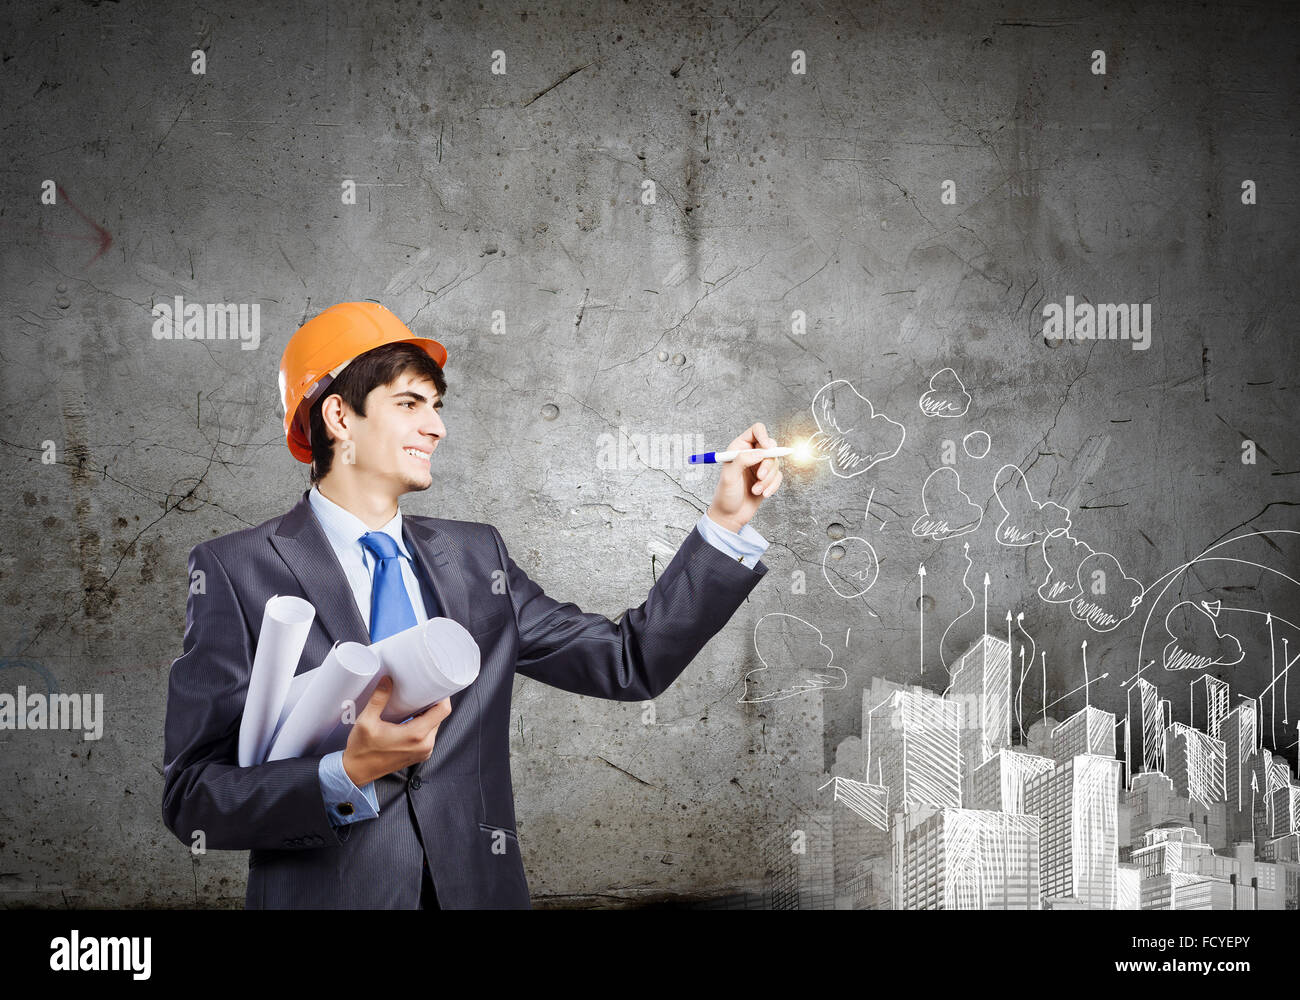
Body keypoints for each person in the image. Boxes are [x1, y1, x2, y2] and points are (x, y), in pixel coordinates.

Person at [161, 301, 782, 908]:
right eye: (409, 404)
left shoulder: (476, 557)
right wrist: (340, 777)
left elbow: (629, 661)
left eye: (436, 406)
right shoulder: (233, 569)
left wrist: (725, 522)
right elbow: (191, 797)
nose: (436, 426)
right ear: (340, 418)